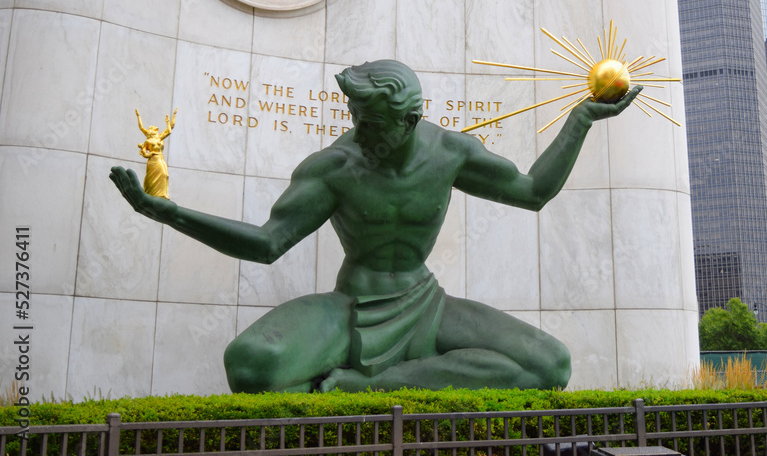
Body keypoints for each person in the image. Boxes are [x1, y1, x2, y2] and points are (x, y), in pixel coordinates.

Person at [110, 60, 639, 392]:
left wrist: (581, 120)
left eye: (369, 121)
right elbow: (268, 243)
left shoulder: (449, 153)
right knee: (251, 366)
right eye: (355, 116)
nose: (357, 130)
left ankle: (373, 386)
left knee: (550, 366)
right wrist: (172, 213)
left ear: (408, 122)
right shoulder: (335, 166)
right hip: (350, 308)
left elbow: (533, 193)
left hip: (426, 307)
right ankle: (363, 382)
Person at [135, 108, 177, 199]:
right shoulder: (148, 141)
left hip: (160, 159)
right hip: (153, 160)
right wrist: (138, 116)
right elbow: (141, 128)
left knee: (164, 174)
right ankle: (151, 193)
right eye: (153, 129)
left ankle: (162, 194)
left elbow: (170, 130)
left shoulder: (159, 138)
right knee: (153, 177)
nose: (154, 130)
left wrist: (171, 118)